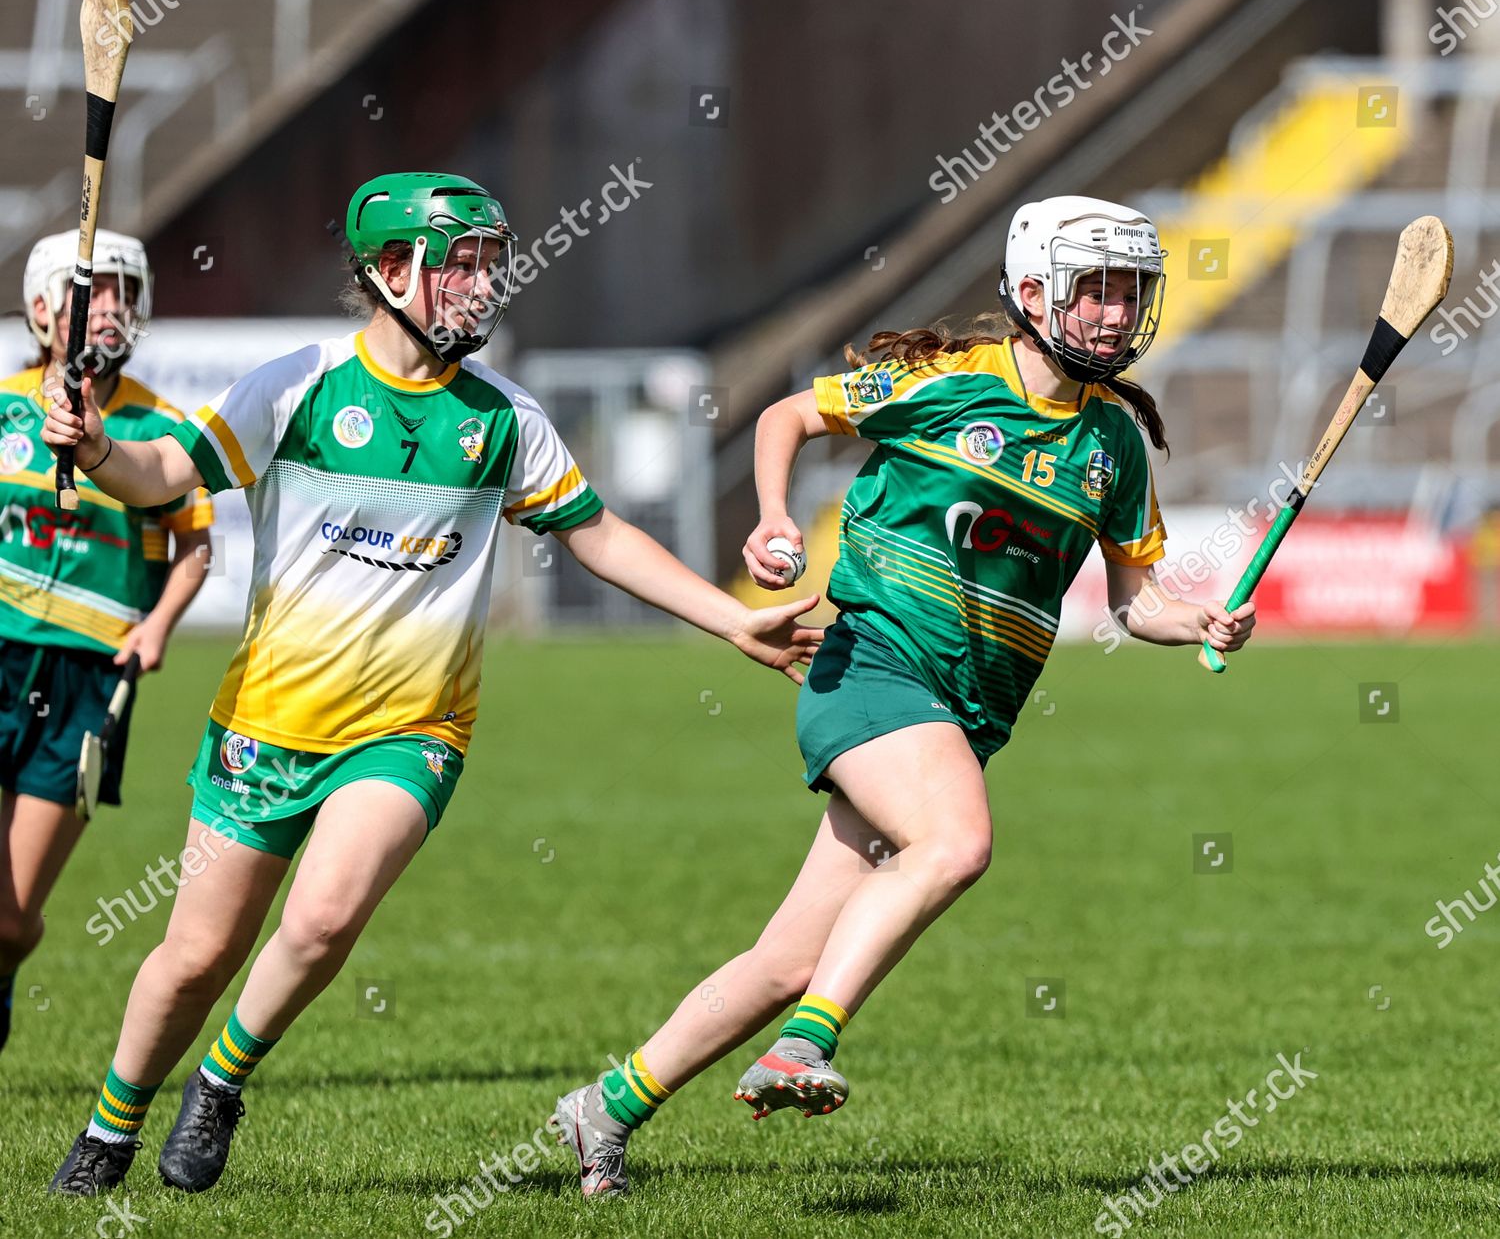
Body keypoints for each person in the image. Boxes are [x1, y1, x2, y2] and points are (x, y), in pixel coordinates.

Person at [41, 172, 821, 1197]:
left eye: (493, 262)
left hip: (414, 728)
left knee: (322, 919)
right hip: (265, 725)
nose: (486, 284)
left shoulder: (502, 416)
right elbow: (166, 476)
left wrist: (732, 621)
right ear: (389, 270)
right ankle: (108, 1130)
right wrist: (95, 446)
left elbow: (598, 534)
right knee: (193, 958)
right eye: (464, 264)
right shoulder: (299, 383)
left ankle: (221, 1081)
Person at [551, 195, 1258, 1197]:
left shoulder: (1113, 448)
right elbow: (788, 414)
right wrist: (771, 522)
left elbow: (1135, 601)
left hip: (966, 718)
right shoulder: (947, 384)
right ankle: (805, 1046)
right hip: (873, 668)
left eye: (1130, 291)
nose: (1114, 311)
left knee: (786, 957)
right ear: (1030, 293)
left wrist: (1203, 622)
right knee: (957, 845)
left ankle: (606, 1106)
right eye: (1094, 289)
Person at [0, 229, 212, 1058]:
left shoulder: (158, 424)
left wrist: (155, 627)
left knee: (13, 923)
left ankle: (7, 968)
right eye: (99, 289)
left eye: (127, 290)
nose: (114, 306)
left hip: (91, 675)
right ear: (45, 308)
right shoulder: (5, 404)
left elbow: (195, 547)